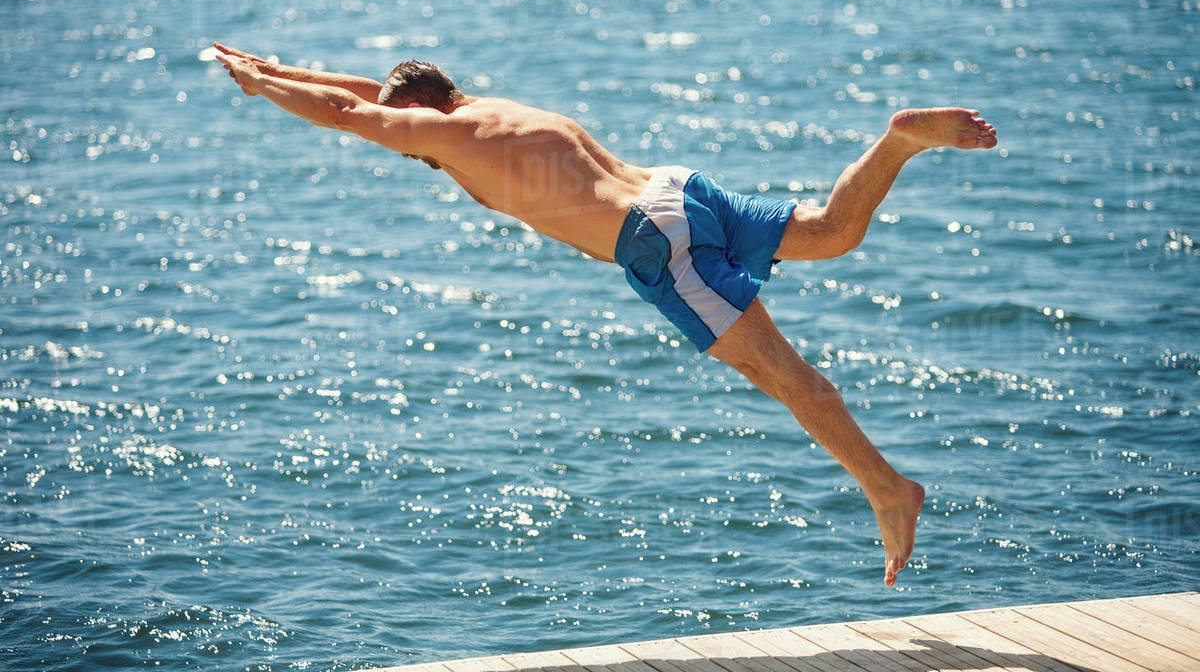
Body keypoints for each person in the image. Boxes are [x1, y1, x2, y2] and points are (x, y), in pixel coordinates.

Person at [214, 43, 998, 586]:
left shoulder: (446, 134)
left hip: (657, 243)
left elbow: (345, 113)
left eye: (405, 129)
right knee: (831, 230)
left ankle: (888, 490)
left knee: (788, 380)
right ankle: (897, 143)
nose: (407, 149)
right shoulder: (485, 111)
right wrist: (274, 69)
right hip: (674, 190)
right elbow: (364, 94)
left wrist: (262, 90)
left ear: (421, 111)